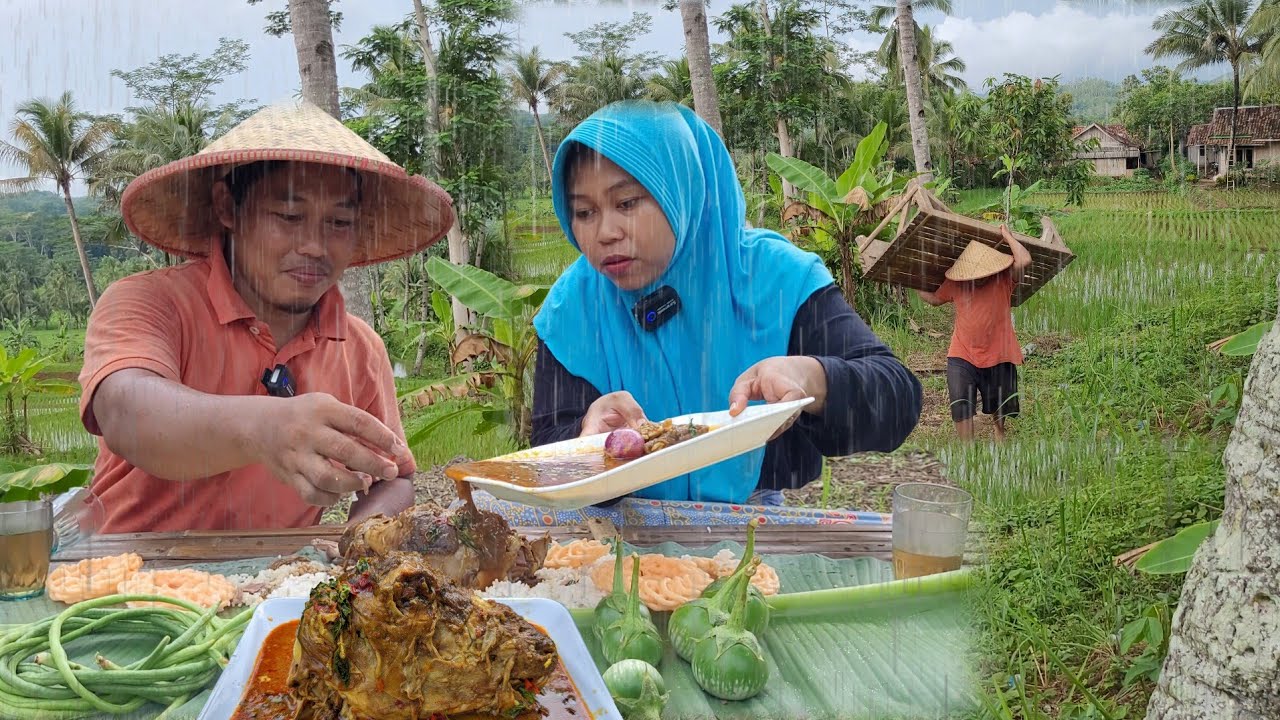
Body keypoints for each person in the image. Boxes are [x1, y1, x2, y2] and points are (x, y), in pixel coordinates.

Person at [77, 100, 456, 533]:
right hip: (136, 583)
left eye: (339, 221)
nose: (315, 244)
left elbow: (395, 475)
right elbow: (127, 412)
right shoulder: (150, 302)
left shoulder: (361, 349)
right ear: (228, 206)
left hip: (276, 589)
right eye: (290, 216)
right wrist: (267, 428)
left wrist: (362, 537)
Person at [527, 100, 922, 508]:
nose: (605, 232)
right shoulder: (570, 310)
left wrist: (813, 378)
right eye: (584, 212)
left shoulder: (779, 278)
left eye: (626, 203)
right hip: (621, 529)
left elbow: (898, 400)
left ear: (682, 189)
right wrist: (584, 443)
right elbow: (546, 454)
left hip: (757, 524)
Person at [916, 226, 1032, 442]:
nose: (977, 278)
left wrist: (1006, 234)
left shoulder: (1004, 279)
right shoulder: (956, 283)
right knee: (960, 403)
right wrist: (912, 283)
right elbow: (933, 299)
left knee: (1000, 405)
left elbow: (1024, 260)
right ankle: (967, 453)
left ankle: (999, 432)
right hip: (963, 353)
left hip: (999, 352)